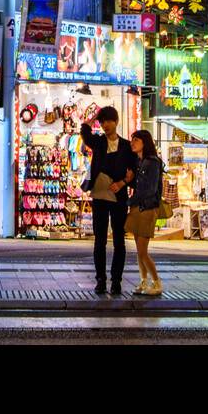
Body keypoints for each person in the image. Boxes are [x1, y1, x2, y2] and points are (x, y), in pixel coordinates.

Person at [79, 106, 137, 294]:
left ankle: (116, 280)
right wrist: (95, 116)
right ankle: (101, 279)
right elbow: (84, 130)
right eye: (102, 122)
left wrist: (122, 183)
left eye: (108, 121)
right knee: (100, 240)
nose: (105, 125)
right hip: (100, 196)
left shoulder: (127, 146)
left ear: (116, 121)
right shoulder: (98, 142)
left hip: (118, 196)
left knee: (119, 240)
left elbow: (133, 173)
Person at [125, 129, 164, 296]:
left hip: (147, 208)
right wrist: (130, 181)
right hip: (138, 207)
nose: (132, 143)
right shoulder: (139, 161)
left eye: (136, 140)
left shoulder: (152, 162)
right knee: (139, 251)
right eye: (132, 140)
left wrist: (129, 201)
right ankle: (143, 281)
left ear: (144, 143)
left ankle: (156, 283)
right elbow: (140, 186)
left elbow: (150, 189)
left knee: (142, 251)